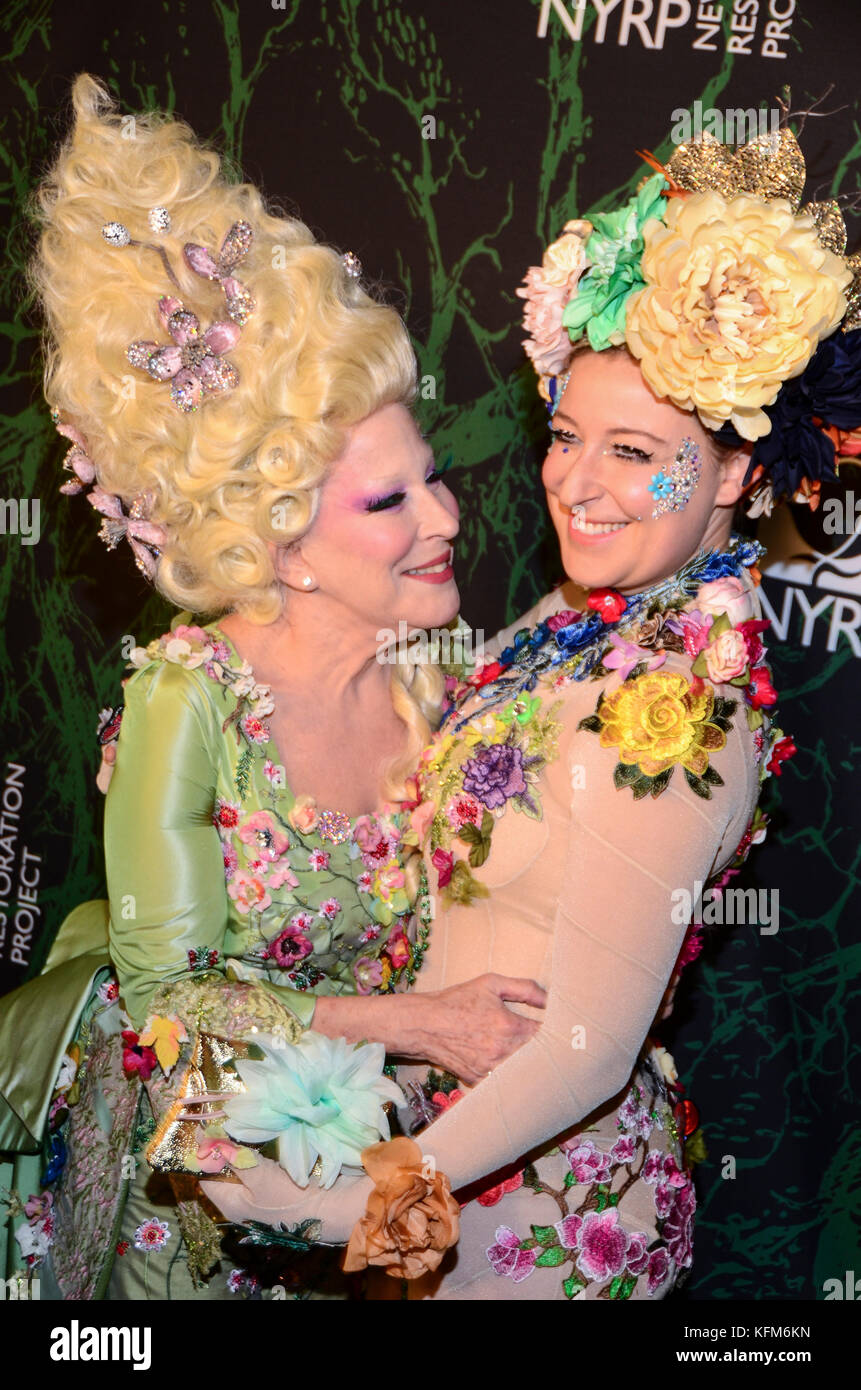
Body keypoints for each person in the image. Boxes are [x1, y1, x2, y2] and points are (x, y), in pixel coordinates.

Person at [193, 118, 861, 1300]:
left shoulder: (679, 700)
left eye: (635, 451)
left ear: (739, 473)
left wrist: (365, 1204)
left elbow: (584, 1052)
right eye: (565, 433)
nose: (575, 482)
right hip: (453, 1161)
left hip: (543, 1211)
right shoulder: (585, 614)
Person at [0, 74, 544, 1301]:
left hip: (381, 1178)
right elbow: (171, 999)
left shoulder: (446, 680)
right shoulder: (186, 700)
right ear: (282, 542)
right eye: (389, 501)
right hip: (196, 1199)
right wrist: (422, 1021)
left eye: (433, 476)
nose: (447, 519)